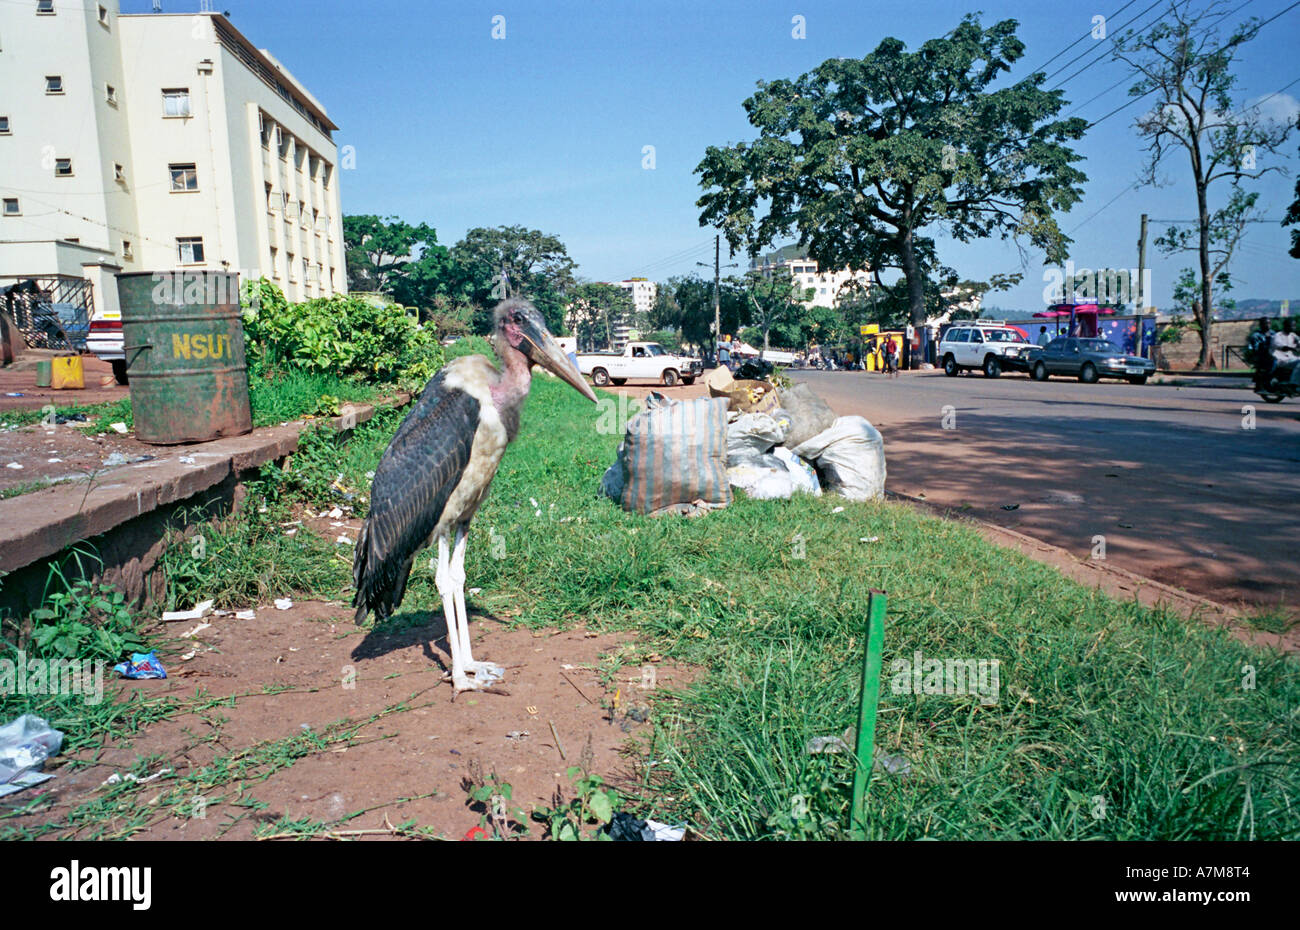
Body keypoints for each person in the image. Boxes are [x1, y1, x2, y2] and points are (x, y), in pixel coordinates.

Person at [1247, 318, 1273, 390]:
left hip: (1273, 354)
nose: (1268, 325)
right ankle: (1267, 382)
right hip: (1262, 356)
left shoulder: (1273, 333)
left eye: (1269, 323)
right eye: (1265, 323)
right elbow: (1256, 348)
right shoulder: (1256, 335)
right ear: (1261, 325)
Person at [1271, 318, 1300, 384]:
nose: (1294, 327)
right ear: (1286, 326)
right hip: (1281, 360)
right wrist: (1292, 348)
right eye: (1292, 325)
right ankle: (1294, 383)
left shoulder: (1293, 335)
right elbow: (1280, 346)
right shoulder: (1278, 335)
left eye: (1295, 325)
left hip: (1291, 358)